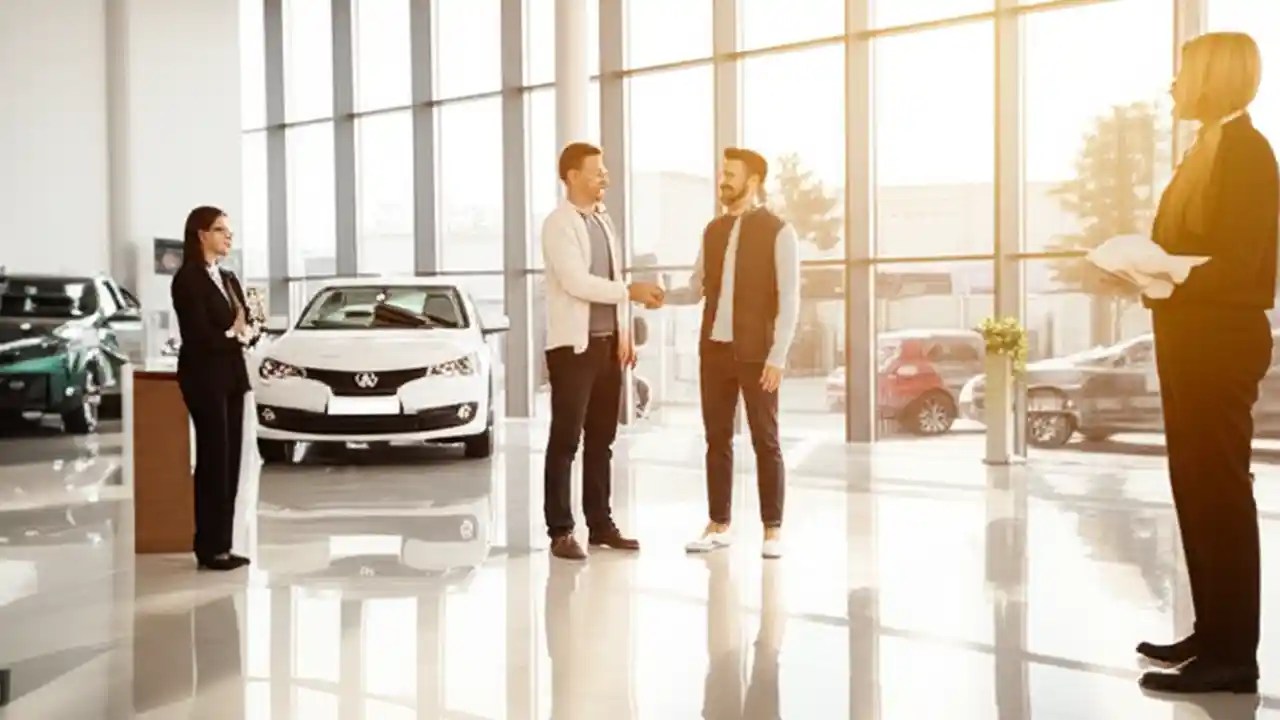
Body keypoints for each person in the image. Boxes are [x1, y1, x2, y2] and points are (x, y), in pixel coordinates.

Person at [1136, 32, 1277, 694]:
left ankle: (1234, 656)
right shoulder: (1205, 150)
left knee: (1219, 493)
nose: (1171, 85)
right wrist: (1145, 273)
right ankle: (1212, 631)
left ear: (1213, 79)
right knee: (1194, 490)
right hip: (1188, 338)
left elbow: (1242, 268)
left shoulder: (1248, 155)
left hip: (1220, 343)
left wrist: (1165, 272)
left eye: (1182, 73)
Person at [666, 147, 801, 559]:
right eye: (722, 173)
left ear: (753, 181)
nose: (723, 180)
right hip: (715, 351)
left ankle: (772, 530)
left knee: (766, 440)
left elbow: (791, 297)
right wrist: (660, 297)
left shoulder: (779, 231)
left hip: (758, 354)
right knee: (717, 439)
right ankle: (718, 524)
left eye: (731, 174)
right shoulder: (713, 230)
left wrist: (778, 356)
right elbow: (695, 287)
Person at [540, 142, 664, 561]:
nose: (604, 177)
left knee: (602, 441)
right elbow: (577, 281)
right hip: (573, 350)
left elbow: (610, 282)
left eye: (605, 170)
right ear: (573, 176)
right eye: (597, 171)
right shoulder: (558, 224)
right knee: (566, 441)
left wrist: (624, 332)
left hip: (608, 348)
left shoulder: (604, 223)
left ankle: (601, 525)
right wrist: (630, 291)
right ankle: (560, 531)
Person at [171, 206, 254, 571]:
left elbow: (244, 320)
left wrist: (247, 332)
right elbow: (198, 336)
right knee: (213, 459)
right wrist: (232, 334)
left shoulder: (229, 277)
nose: (228, 236)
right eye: (220, 230)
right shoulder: (187, 279)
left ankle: (224, 543)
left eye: (228, 230)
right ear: (201, 235)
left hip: (232, 375)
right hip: (204, 376)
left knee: (231, 458)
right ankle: (208, 546)